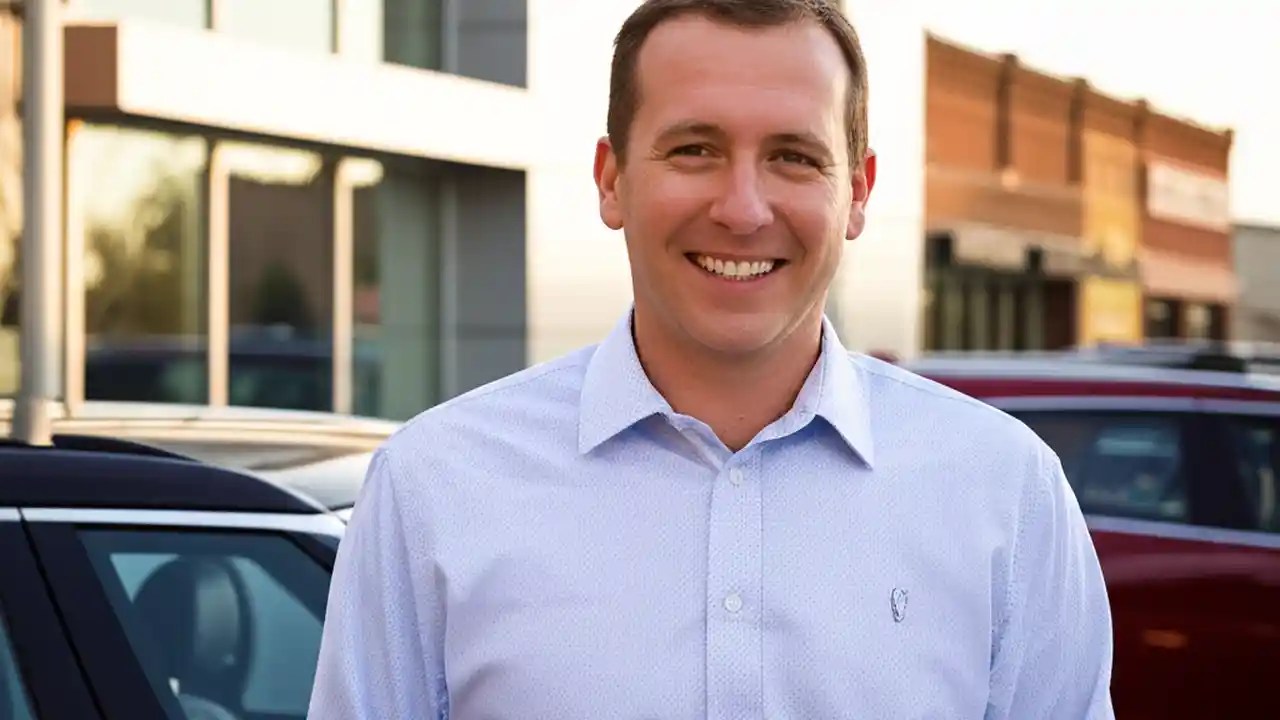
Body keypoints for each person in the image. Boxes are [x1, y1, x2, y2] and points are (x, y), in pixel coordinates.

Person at [307, 0, 1115, 717]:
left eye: (794, 157)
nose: (743, 209)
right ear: (612, 180)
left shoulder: (1005, 493)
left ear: (859, 193)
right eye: (695, 149)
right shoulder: (434, 488)